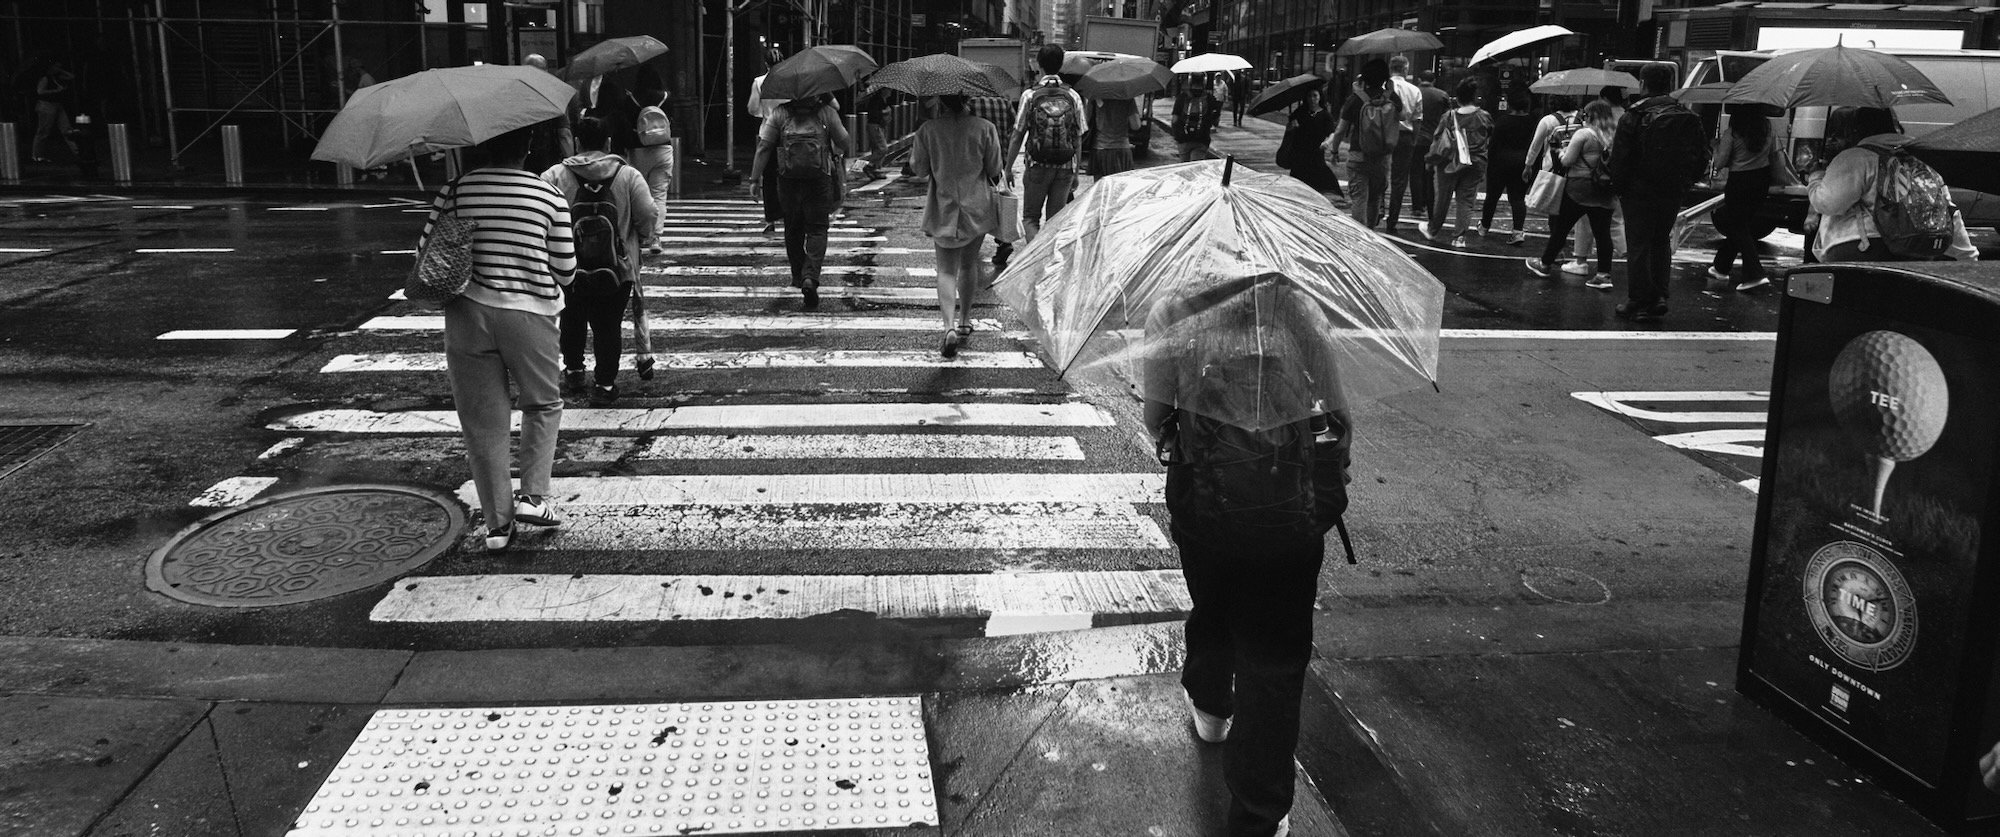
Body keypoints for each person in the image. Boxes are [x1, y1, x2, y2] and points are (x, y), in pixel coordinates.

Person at [1144, 273, 1352, 837]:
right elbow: (1337, 412)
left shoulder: (1176, 308)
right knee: (1276, 654)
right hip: (1289, 505)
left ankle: (1211, 704)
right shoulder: (1296, 305)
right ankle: (1259, 813)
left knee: (1213, 602)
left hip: (1203, 500)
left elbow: (1155, 417)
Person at [420, 126, 574, 553]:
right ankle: (533, 496)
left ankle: (497, 526)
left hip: (467, 314)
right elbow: (565, 269)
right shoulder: (548, 195)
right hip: (531, 315)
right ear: (528, 146)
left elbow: (427, 253)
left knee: (482, 421)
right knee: (542, 403)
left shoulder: (455, 191)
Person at [541, 116, 657, 405]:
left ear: (577, 142)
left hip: (570, 266)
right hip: (618, 268)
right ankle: (604, 384)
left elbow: (542, 216)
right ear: (608, 143)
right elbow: (648, 214)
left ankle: (574, 370)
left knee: (572, 317)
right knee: (608, 326)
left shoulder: (554, 175)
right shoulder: (628, 175)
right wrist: (640, 237)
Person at [1805, 106, 1978, 263]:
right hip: (1918, 251)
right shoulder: (1922, 158)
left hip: (1860, 250)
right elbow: (1944, 209)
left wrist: (1815, 178)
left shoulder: (1855, 157)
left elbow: (1828, 203)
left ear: (1856, 130)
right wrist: (1968, 256)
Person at [1608, 66, 1706, 322]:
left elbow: (1620, 159)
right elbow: (1702, 157)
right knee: (1661, 241)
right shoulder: (1686, 115)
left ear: (1643, 84)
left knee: (1638, 244)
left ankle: (1639, 299)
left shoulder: (1634, 116)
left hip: (1639, 190)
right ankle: (1659, 296)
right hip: (1672, 190)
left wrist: (1620, 188)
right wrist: (1685, 183)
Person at [910, 94, 1002, 358]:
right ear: (967, 99)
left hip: (943, 206)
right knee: (969, 265)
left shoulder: (928, 130)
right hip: (977, 206)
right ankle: (964, 321)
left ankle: (948, 326)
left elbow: (919, 169)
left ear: (941, 101)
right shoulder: (985, 128)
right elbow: (994, 168)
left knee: (946, 270)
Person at [750, 93, 851, 310]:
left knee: (793, 228)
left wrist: (754, 178)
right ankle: (810, 277)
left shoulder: (780, 113)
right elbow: (845, 141)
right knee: (817, 229)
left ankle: (798, 275)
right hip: (819, 179)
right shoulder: (826, 113)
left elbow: (764, 146)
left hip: (788, 180)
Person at [1525, 100, 1620, 290]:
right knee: (1603, 234)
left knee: (1561, 228)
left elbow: (1568, 161)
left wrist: (1560, 151)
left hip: (1579, 188)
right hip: (1605, 190)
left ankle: (1544, 264)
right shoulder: (1614, 137)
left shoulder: (1584, 134)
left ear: (1590, 116)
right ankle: (1603, 275)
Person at [1005, 45, 1087, 242]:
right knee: (1055, 223)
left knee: (1030, 219)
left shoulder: (1030, 95)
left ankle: (1034, 256)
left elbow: (1017, 135)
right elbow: (1077, 138)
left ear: (1038, 64)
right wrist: (1075, 173)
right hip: (1065, 168)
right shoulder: (1073, 96)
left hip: (1037, 165)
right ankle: (1049, 257)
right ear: (1061, 65)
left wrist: (1008, 169)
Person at [1705, 103, 1786, 291]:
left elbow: (1721, 162)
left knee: (1737, 226)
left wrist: (1715, 147)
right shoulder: (1767, 131)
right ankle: (1721, 267)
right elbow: (1775, 155)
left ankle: (1755, 274)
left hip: (1739, 182)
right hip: (1761, 181)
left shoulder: (1732, 133)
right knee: (1741, 224)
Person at [1329, 60, 1402, 229]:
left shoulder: (1355, 99)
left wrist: (1334, 151)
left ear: (1363, 78)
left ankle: (1359, 235)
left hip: (1358, 154)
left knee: (1359, 198)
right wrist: (1391, 91)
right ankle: (1371, 232)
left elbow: (1340, 130)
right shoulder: (1391, 98)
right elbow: (1404, 116)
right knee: (1375, 197)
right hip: (1382, 157)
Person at [1422, 77, 1492, 245]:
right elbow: (1489, 136)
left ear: (1458, 98)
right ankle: (1460, 237)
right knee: (1466, 200)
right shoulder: (1484, 116)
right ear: (1474, 97)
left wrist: (1430, 160)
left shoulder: (1448, 116)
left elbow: (1438, 140)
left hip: (1450, 162)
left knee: (1443, 198)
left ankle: (1433, 230)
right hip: (1476, 162)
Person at [1569, 87, 1628, 276]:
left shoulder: (1593, 126)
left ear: (1603, 98)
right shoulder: (1627, 117)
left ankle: (1580, 260)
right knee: (1614, 219)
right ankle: (1625, 253)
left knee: (1585, 221)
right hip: (1614, 176)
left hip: (1590, 178)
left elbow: (1570, 158)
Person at [968, 92, 1019, 269]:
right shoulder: (1004, 103)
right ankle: (1003, 240)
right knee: (995, 200)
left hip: (974, 160)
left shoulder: (970, 103)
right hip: (998, 159)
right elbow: (1014, 128)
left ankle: (971, 243)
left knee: (976, 203)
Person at [1479, 89, 1535, 244]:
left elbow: (1493, 145)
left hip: (1500, 163)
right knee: (1518, 198)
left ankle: (1484, 226)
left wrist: (1489, 164)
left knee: (1492, 196)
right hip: (1522, 163)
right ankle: (1517, 232)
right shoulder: (1532, 122)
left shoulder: (1503, 121)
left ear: (1510, 104)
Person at [748, 48, 787, 234]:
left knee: (769, 178)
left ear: (766, 64)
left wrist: (764, 113)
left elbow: (752, 108)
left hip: (768, 131)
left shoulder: (759, 82)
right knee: (788, 176)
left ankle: (771, 219)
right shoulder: (790, 80)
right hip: (789, 132)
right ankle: (789, 214)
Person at [1384, 57, 1424, 234]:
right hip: (1405, 136)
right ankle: (1392, 219)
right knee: (1399, 180)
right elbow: (1417, 119)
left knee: (1380, 172)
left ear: (1391, 68)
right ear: (1406, 69)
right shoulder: (1414, 90)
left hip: (1384, 134)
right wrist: (1414, 140)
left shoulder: (1383, 87)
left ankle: (1378, 209)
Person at [1276, 88, 1337, 194]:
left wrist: (1327, 142)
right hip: (1299, 154)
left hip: (1316, 153)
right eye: (1309, 96)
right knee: (1298, 185)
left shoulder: (1325, 115)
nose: (1312, 99)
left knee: (1321, 183)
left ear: (1320, 97)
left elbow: (1332, 133)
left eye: (1315, 96)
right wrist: (1291, 127)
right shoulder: (1299, 113)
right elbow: (1290, 130)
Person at [521, 55, 575, 175]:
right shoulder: (553, 94)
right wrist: (571, 165)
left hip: (522, 161)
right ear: (545, 71)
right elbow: (564, 134)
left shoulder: (517, 95)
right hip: (549, 161)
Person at [1408, 71, 1450, 224]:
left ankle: (1417, 206)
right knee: (1430, 173)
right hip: (1434, 139)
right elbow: (1448, 117)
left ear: (1420, 79)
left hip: (1416, 137)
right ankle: (1430, 206)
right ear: (1434, 80)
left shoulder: (1414, 92)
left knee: (1415, 172)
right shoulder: (1442, 95)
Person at [31, 60, 78, 163]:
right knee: (44, 131)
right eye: (56, 66)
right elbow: (40, 91)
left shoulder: (56, 77)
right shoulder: (45, 78)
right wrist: (56, 90)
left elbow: (71, 76)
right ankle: (37, 155)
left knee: (67, 129)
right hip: (47, 105)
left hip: (57, 104)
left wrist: (61, 70)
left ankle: (77, 152)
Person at [1172, 73, 1223, 161]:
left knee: (1184, 167)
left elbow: (1174, 120)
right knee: (1196, 166)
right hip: (1201, 139)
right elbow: (1216, 120)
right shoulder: (1209, 98)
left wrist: (1177, 136)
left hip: (1184, 139)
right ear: (1204, 82)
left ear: (1189, 81)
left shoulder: (1182, 97)